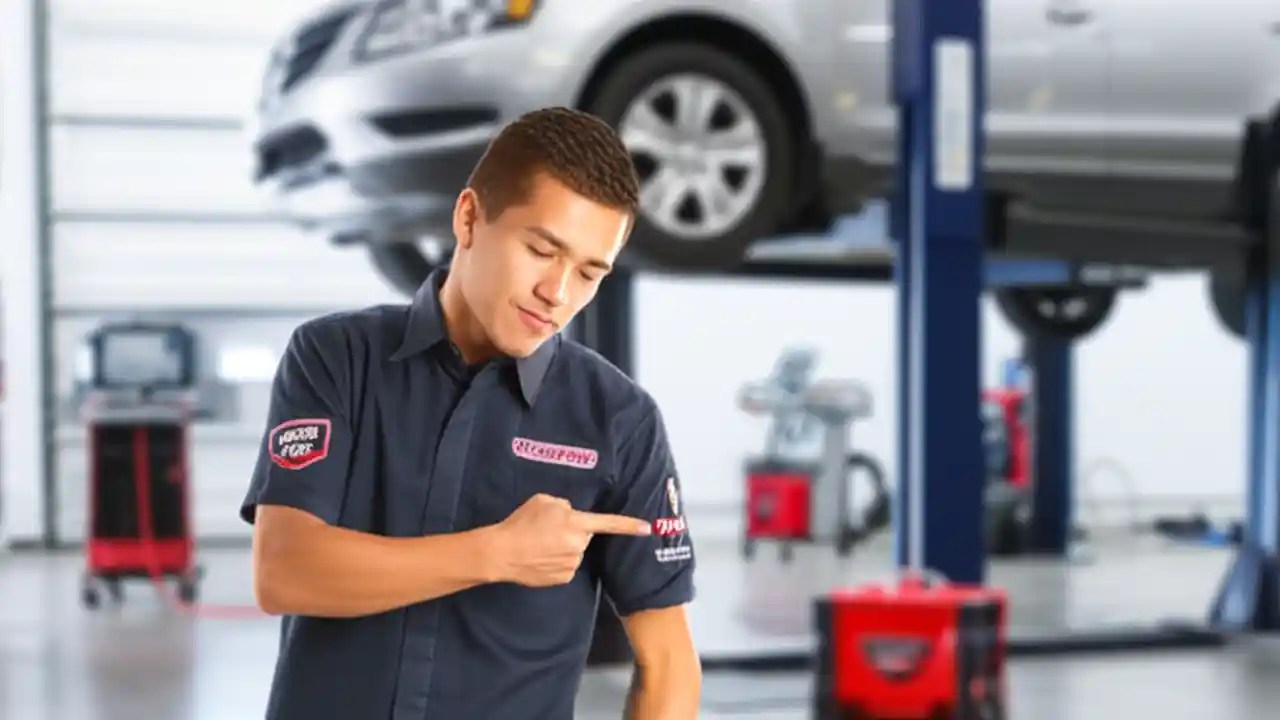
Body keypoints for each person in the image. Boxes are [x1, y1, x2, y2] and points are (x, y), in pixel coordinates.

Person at [239, 107, 701, 720]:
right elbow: (286, 571)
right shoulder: (337, 359)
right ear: (468, 218)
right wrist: (498, 553)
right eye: (542, 250)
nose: (558, 293)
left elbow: (668, 664)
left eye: (590, 272)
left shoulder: (618, 419)